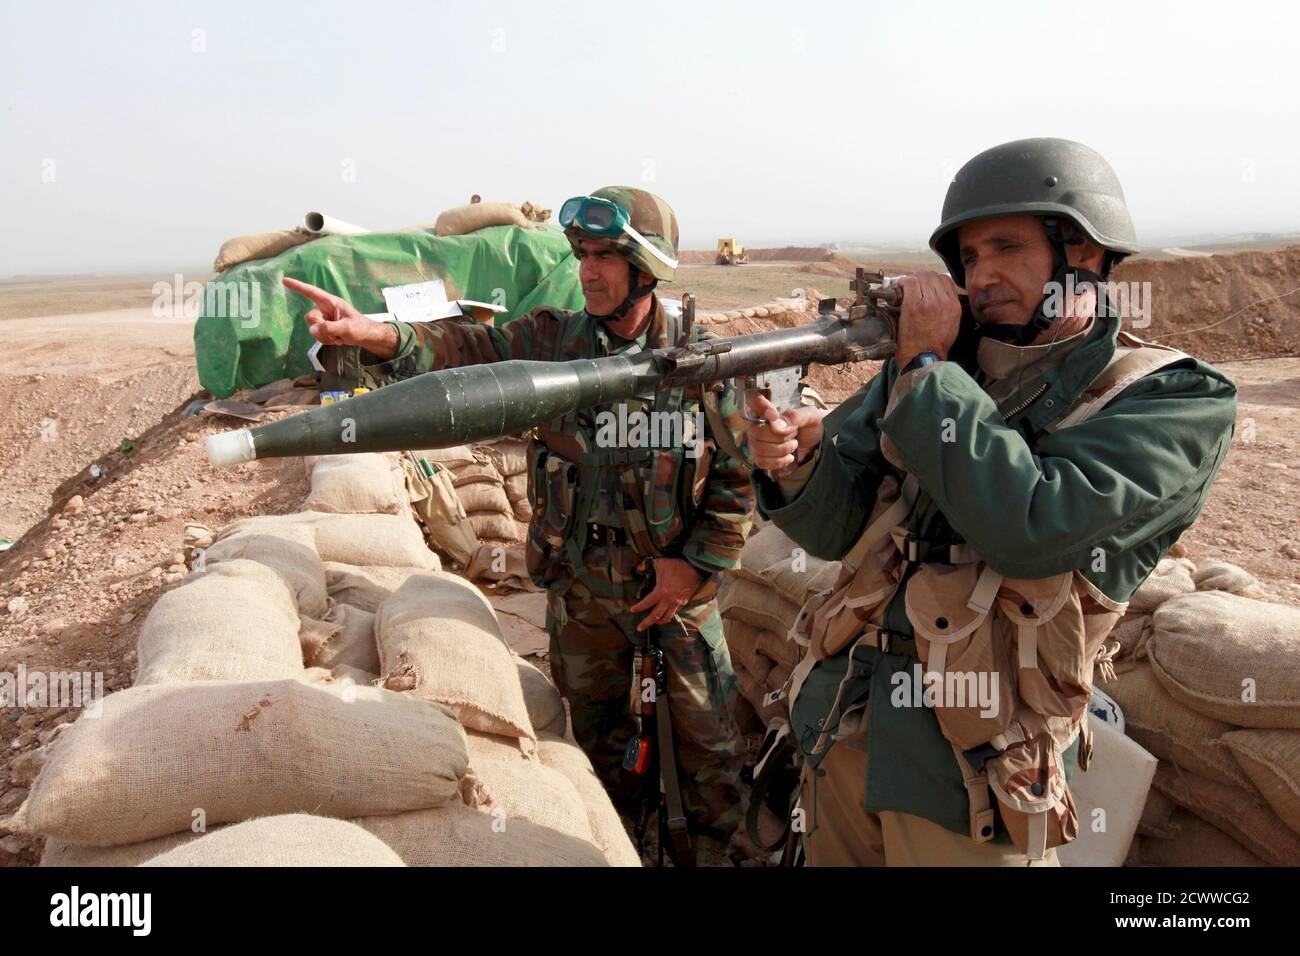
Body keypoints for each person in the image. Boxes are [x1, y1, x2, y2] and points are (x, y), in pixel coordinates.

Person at [743, 138, 1238, 866]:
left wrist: (928, 368)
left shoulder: (1172, 398)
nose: (982, 277)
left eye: (1005, 248)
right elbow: (838, 527)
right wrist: (796, 462)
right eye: (969, 258)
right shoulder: (938, 370)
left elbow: (1032, 528)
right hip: (848, 728)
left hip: (974, 768)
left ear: (1086, 254)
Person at [283, 187, 753, 861]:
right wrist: (375, 335)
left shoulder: (701, 359)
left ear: (647, 268)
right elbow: (472, 348)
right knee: (594, 750)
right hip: (583, 591)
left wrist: (695, 565)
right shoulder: (554, 341)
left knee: (710, 751)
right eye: (582, 254)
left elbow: (739, 477)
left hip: (675, 595)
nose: (588, 270)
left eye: (606, 257)